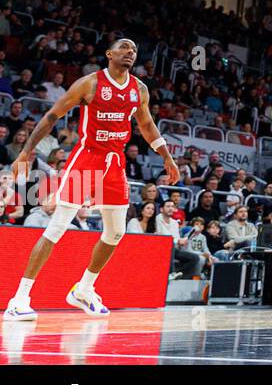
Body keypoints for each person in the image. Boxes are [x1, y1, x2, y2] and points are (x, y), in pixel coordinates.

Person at [4, 39, 180, 321]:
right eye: (123, 48)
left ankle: (84, 289)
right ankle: (19, 298)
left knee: (115, 232)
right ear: (109, 54)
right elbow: (51, 116)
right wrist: (26, 152)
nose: (130, 53)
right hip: (87, 158)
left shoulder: (140, 89)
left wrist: (167, 157)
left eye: (134, 50)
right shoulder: (90, 84)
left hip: (115, 162)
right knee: (57, 226)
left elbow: (146, 125)